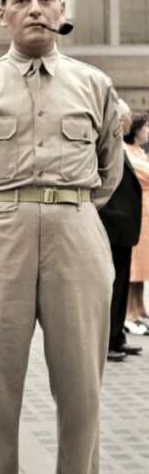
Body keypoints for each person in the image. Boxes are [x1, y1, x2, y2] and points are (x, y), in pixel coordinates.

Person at [0, 0, 123, 473]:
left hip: (77, 232)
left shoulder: (94, 85)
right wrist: (4, 212)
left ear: (62, 8)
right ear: (3, 14)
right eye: (22, 0)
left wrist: (70, 209)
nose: (35, 9)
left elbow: (109, 171)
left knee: (82, 387)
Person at [100, 101, 144, 361]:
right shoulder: (107, 145)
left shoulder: (119, 145)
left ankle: (118, 337)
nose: (129, 121)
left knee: (122, 287)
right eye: (126, 117)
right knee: (112, 289)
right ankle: (108, 344)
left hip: (125, 228)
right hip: (113, 226)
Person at [125, 113, 149, 335]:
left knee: (143, 267)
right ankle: (130, 313)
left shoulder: (140, 152)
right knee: (135, 266)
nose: (148, 131)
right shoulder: (128, 153)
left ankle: (140, 308)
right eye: (146, 127)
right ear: (136, 130)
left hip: (147, 215)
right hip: (139, 214)